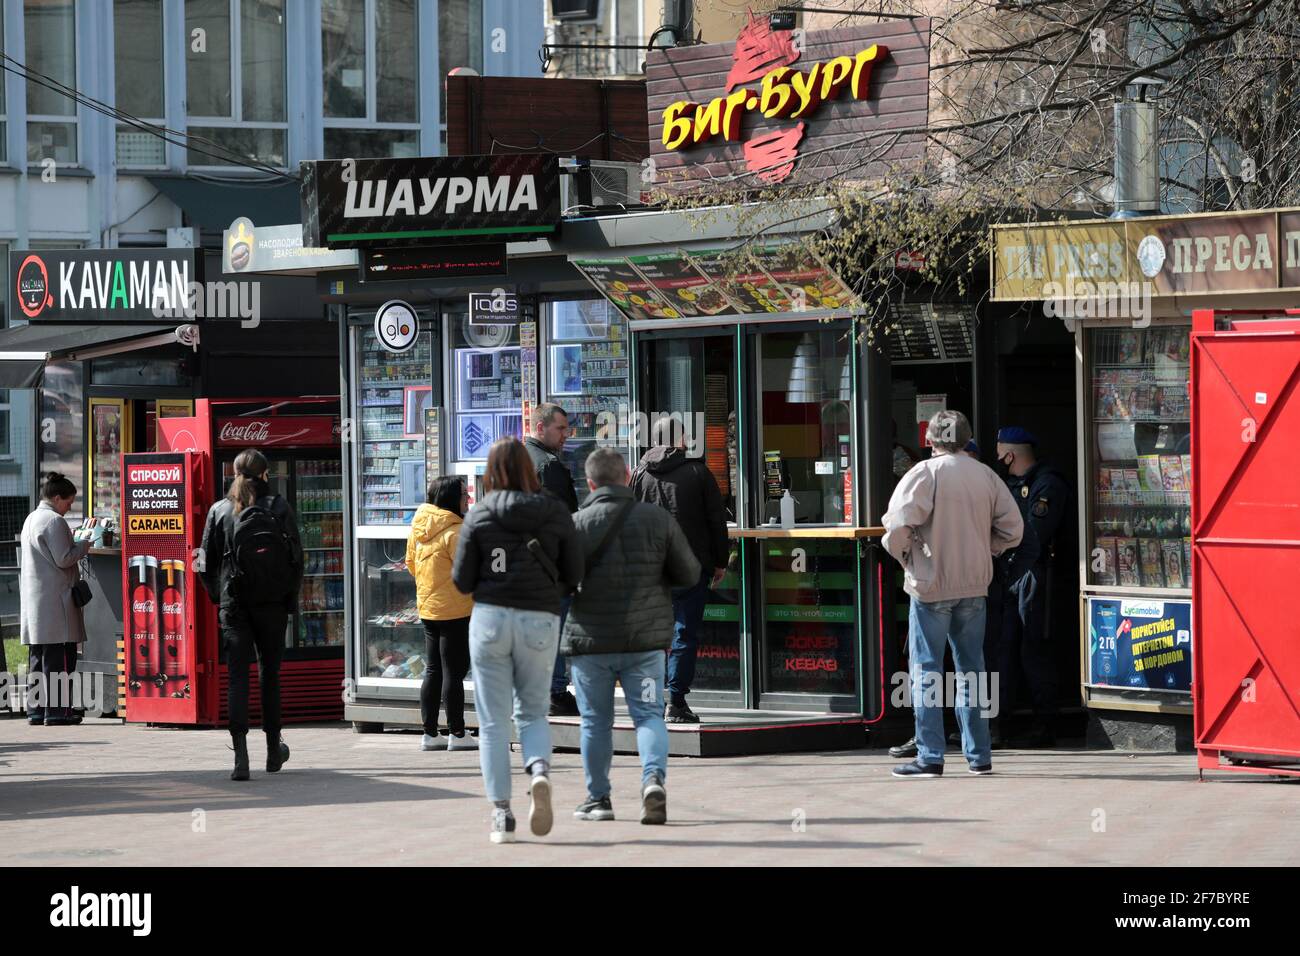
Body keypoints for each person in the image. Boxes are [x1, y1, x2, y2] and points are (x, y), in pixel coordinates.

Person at [452, 437, 582, 845]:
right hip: (539, 619)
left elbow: (461, 579)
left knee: (492, 723)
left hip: (490, 619)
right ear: (529, 467)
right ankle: (539, 770)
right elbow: (574, 570)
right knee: (533, 712)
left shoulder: (479, 514)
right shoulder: (554, 510)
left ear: (492, 471)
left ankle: (501, 814)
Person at [883, 410, 1023, 778]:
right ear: (966, 438)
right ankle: (979, 755)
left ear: (930, 440)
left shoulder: (924, 474)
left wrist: (905, 557)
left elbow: (898, 524)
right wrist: (986, 549)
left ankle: (930, 755)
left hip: (931, 585)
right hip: (974, 585)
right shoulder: (986, 475)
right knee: (972, 669)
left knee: (926, 670)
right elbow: (1013, 530)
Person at [565, 447, 700, 824]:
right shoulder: (657, 520)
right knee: (649, 715)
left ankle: (598, 799)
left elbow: (561, 581)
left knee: (594, 722)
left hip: (591, 644)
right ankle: (653, 780)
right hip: (644, 643)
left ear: (590, 483)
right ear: (627, 476)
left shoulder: (576, 524)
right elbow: (689, 573)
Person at [199, 448, 302, 781]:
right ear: (266, 475)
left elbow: (203, 561)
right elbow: (297, 558)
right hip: (272, 604)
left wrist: (219, 595)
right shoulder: (279, 506)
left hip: (235, 605)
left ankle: (240, 757)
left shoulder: (219, 510)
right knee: (269, 676)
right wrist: (289, 598)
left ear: (232, 472)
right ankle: (274, 750)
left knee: (238, 678)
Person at [630, 416, 729, 724]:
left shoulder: (639, 474)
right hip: (690, 566)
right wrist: (720, 561)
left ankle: (651, 701)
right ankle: (677, 701)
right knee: (684, 633)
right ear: (681, 439)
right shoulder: (698, 472)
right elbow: (716, 521)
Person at [991, 426, 1071, 748]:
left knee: (1033, 651)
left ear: (1011, 454)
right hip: (1010, 575)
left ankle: (1045, 724)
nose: (998, 461)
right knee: (1004, 649)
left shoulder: (1047, 483)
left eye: (1000, 455)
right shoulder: (1009, 485)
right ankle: (1000, 723)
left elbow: (1034, 534)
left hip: (1035, 576)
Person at [407, 475, 475, 752]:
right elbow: (468, 572)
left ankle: (430, 733)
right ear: (450, 498)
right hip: (456, 608)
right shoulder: (455, 531)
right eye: (463, 494)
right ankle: (457, 734)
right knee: (454, 672)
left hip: (428, 608)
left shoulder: (419, 527)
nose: (468, 500)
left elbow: (411, 564)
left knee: (433, 669)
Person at [19, 473, 92, 726]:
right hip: (56, 604)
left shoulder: (31, 518)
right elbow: (64, 558)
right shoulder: (53, 521)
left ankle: (36, 710)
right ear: (57, 497)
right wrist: (83, 544)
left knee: (38, 660)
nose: (69, 507)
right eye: (69, 502)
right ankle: (59, 712)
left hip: (37, 603)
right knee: (60, 660)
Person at [523, 402, 581, 718]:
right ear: (540, 427)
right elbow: (566, 520)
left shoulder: (516, 460)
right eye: (560, 429)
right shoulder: (548, 466)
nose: (565, 435)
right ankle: (556, 691)